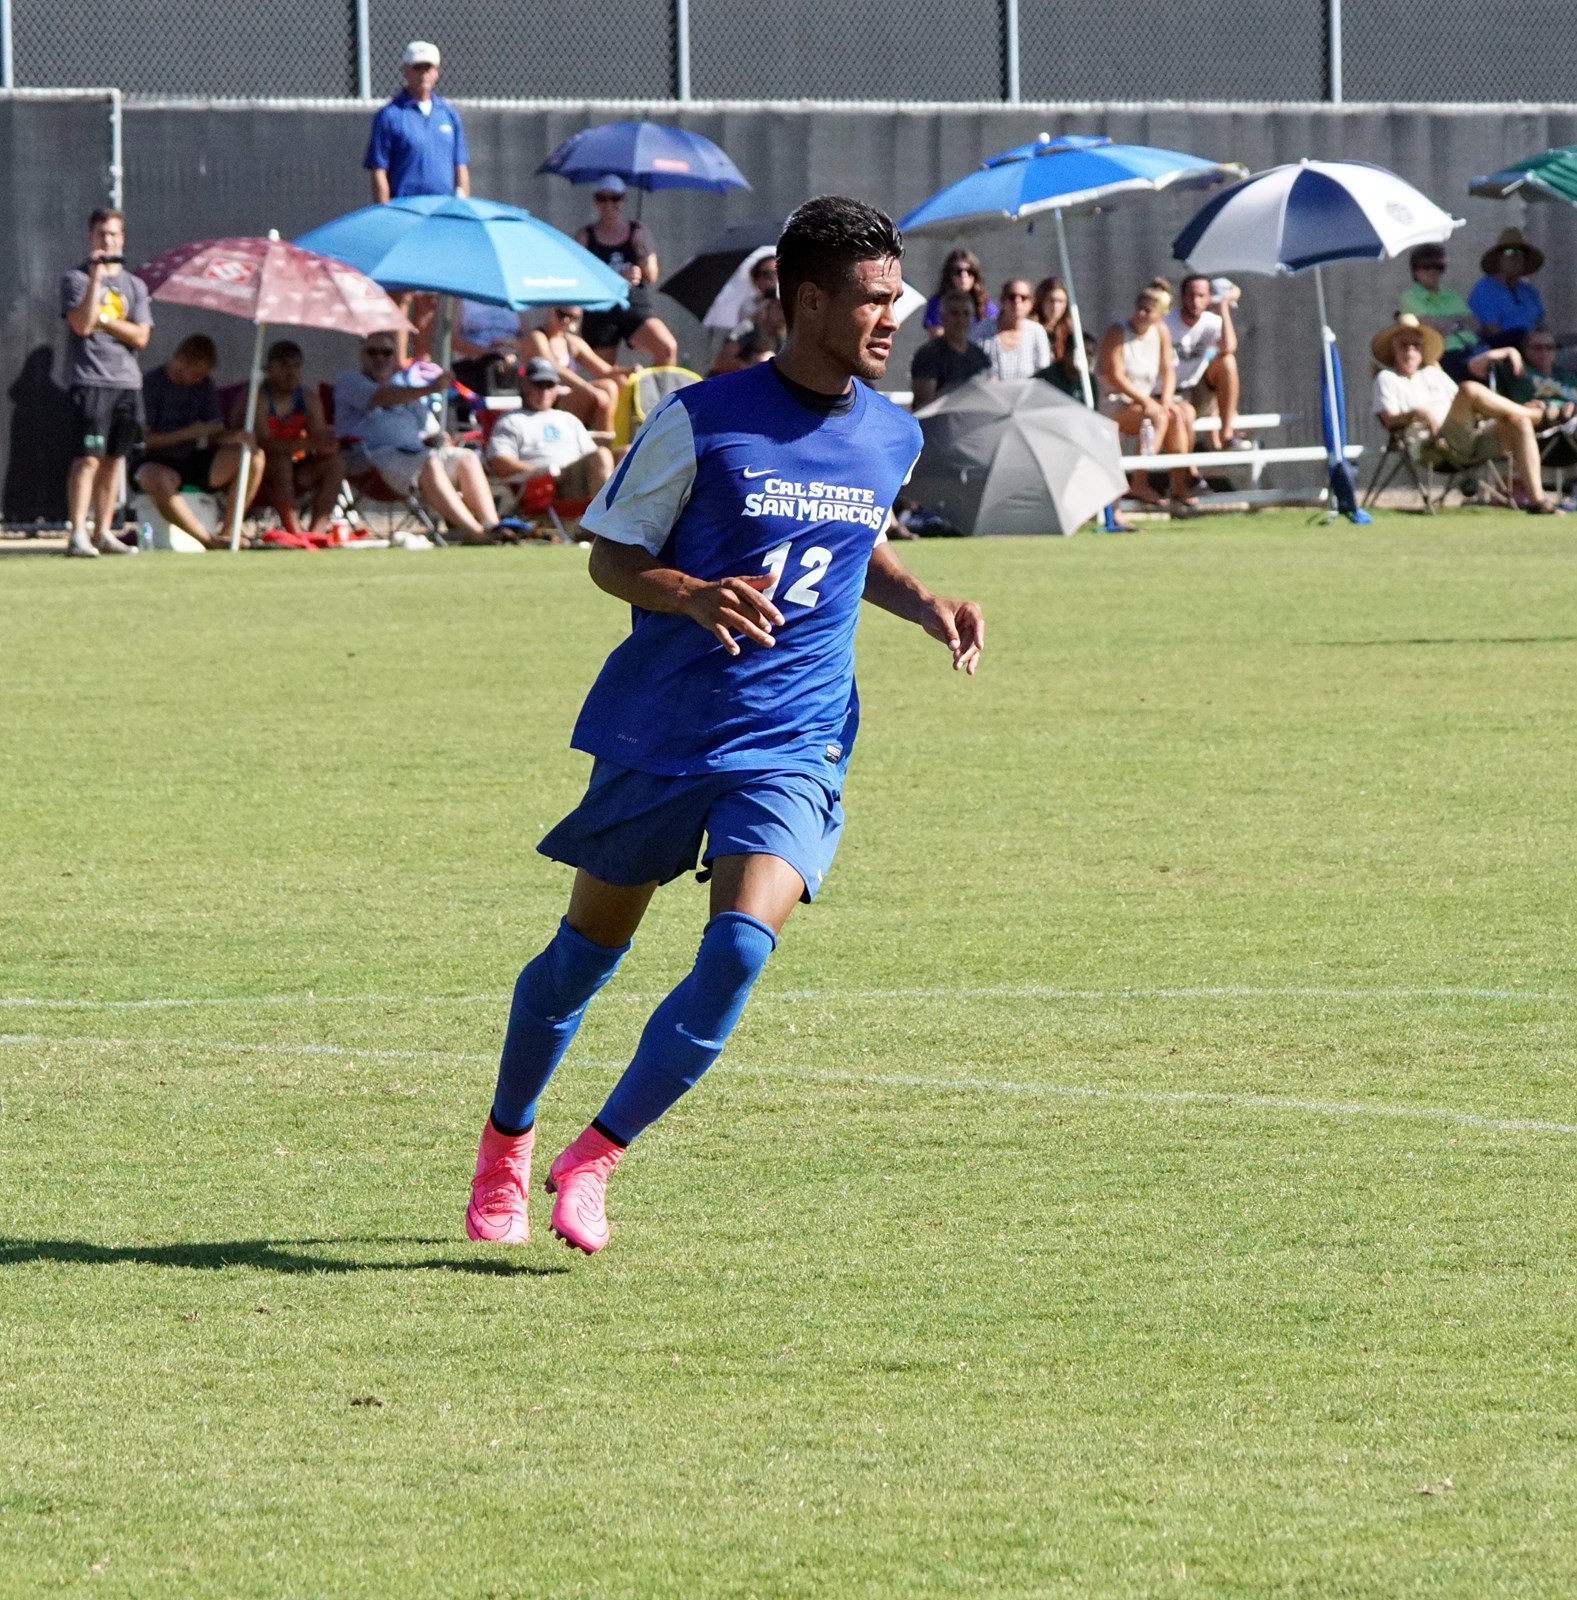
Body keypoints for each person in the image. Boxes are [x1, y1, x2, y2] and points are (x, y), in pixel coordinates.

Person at [463, 195, 984, 1256]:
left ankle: (594, 1155)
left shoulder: (892, 432)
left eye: (897, 298)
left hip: (794, 739)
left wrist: (924, 601)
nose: (894, 319)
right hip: (664, 730)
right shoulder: (702, 417)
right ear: (804, 301)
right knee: (582, 958)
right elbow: (610, 555)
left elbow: (851, 543)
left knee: (741, 944)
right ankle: (505, 1145)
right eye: (873, 300)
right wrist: (692, 594)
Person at [333, 333, 515, 543]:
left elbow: (431, 431)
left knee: (466, 458)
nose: (379, 358)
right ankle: (476, 534)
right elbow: (380, 397)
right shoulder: (350, 381)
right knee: (430, 463)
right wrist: (430, 388)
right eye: (372, 352)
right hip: (373, 461)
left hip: (416, 457)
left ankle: (493, 527)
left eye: (386, 352)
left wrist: (441, 439)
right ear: (361, 355)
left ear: (393, 356)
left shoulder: (405, 390)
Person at [1370, 314, 1559, 515]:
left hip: (1468, 438)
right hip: (1434, 446)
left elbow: (1468, 406)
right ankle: (1537, 415)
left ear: (1422, 350)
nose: (1410, 350)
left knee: (1519, 422)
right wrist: (1416, 412)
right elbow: (1389, 420)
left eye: (1416, 345)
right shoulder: (1387, 379)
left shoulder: (1434, 374)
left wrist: (1496, 414)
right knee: (1468, 388)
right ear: (1393, 349)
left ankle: (1537, 501)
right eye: (1403, 345)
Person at [60, 207, 153, 558]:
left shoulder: (136, 286)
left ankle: (102, 532)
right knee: (88, 458)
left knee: (115, 459)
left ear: (122, 238)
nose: (108, 241)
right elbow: (82, 325)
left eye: (113, 235)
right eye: (102, 235)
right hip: (91, 381)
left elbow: (140, 336)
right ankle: (77, 534)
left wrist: (106, 320)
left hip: (127, 383)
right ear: (91, 238)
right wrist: (97, 281)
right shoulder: (76, 280)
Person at [135, 333, 264, 545]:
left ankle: (229, 531)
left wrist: (235, 437)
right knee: (157, 478)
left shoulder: (203, 385)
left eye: (202, 375)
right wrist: (187, 434)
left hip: (191, 458)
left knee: (254, 456)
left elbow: (213, 432)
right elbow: (142, 440)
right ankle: (206, 539)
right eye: (195, 373)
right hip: (153, 461)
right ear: (180, 359)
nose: (198, 380)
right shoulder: (150, 384)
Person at [1096, 282, 1198, 511]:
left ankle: (1180, 483)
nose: (1141, 314)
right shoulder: (1117, 332)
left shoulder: (1160, 331)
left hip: (1143, 403)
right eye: (1139, 307)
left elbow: (1168, 370)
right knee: (1158, 417)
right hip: (1114, 405)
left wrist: (1165, 400)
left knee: (1177, 414)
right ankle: (1139, 482)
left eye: (1148, 310)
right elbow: (1114, 375)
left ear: (1159, 315)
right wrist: (1148, 402)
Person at [230, 339, 345, 536]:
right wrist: (306, 443)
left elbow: (319, 438)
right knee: (280, 461)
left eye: (296, 365)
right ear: (268, 368)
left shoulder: (308, 398)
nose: (290, 372)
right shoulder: (257, 397)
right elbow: (264, 443)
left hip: (294, 470)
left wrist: (325, 445)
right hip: (257, 473)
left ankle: (316, 533)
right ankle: (295, 531)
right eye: (283, 365)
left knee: (336, 464)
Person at [574, 176, 679, 369]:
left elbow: (652, 275)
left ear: (624, 200)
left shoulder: (637, 231)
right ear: (596, 201)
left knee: (667, 348)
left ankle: (655, 394)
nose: (609, 204)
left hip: (633, 306)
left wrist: (641, 251)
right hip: (601, 311)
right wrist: (617, 279)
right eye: (603, 198)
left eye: (615, 198)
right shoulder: (585, 237)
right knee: (607, 373)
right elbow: (579, 282)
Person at [485, 357, 615, 502]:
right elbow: (498, 461)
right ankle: (609, 516)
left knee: (627, 453)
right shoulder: (510, 420)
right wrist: (542, 472)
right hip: (547, 486)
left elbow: (591, 454)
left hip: (579, 477)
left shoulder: (568, 419)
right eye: (538, 384)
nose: (544, 391)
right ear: (524, 385)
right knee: (602, 455)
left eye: (549, 385)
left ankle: (629, 516)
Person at [363, 41, 469, 203]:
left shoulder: (448, 114)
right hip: (404, 210)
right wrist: (386, 212)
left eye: (428, 68)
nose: (423, 74)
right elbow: (379, 169)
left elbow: (460, 165)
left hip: (443, 209)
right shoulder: (389, 116)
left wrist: (462, 207)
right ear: (405, 71)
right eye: (417, 68)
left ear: (437, 71)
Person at [1165, 274, 1247, 449]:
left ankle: (1226, 434)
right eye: (1191, 295)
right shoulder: (1167, 324)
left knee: (1227, 361)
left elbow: (1229, 347)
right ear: (1182, 296)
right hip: (1171, 393)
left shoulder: (1212, 322)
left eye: (1201, 296)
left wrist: (1223, 307)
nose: (1195, 301)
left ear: (1209, 298)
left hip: (1199, 391)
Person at [525, 305, 626, 434]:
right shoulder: (536, 337)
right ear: (549, 309)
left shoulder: (572, 342)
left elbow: (606, 371)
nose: (566, 320)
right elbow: (554, 369)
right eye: (561, 314)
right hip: (544, 399)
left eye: (572, 317)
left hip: (567, 399)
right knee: (603, 392)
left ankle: (609, 439)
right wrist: (590, 390)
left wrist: (632, 370)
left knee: (611, 385)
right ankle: (605, 441)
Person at [1399, 244, 1481, 381]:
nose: (1433, 271)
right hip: (1442, 355)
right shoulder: (1410, 297)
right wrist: (1459, 322)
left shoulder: (1451, 295)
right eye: (1426, 266)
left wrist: (1447, 324)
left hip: (1472, 349)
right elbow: (1431, 328)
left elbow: (1475, 323)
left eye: (1438, 267)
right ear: (1415, 271)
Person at [908, 289, 989, 408]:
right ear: (942, 317)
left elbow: (987, 394)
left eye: (966, 313)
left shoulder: (979, 356)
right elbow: (923, 403)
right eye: (954, 313)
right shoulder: (928, 355)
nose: (960, 320)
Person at [1468, 229, 1546, 351]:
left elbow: (1542, 326)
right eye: (1509, 251)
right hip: (1505, 351)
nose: (1515, 257)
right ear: (1499, 257)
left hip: (1538, 350)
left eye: (1520, 253)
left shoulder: (1530, 291)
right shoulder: (1484, 290)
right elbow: (1493, 332)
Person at [971, 278, 1051, 381]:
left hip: (1026, 394)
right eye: (1012, 297)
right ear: (1003, 300)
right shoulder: (981, 330)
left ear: (1031, 304)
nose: (1017, 302)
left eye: (1023, 298)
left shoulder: (1037, 332)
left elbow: (1043, 372)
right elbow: (970, 367)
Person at [451, 300, 527, 398]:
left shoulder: (514, 298)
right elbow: (452, 340)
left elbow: (529, 339)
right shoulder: (463, 299)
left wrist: (511, 345)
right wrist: (491, 353)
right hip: (474, 368)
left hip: (512, 365)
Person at [1030, 276, 1083, 398]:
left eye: (1060, 301)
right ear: (1041, 301)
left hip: (1060, 387)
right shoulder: (1031, 327)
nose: (1055, 306)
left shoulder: (1069, 329)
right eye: (1051, 301)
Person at [709, 293, 787, 375]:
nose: (783, 315)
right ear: (768, 307)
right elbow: (721, 361)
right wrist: (752, 368)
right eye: (779, 308)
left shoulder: (780, 344)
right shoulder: (749, 327)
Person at [921, 248, 996, 335]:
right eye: (958, 271)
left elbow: (995, 326)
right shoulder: (937, 301)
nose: (964, 276)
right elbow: (936, 332)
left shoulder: (984, 303)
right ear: (950, 275)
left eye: (970, 272)